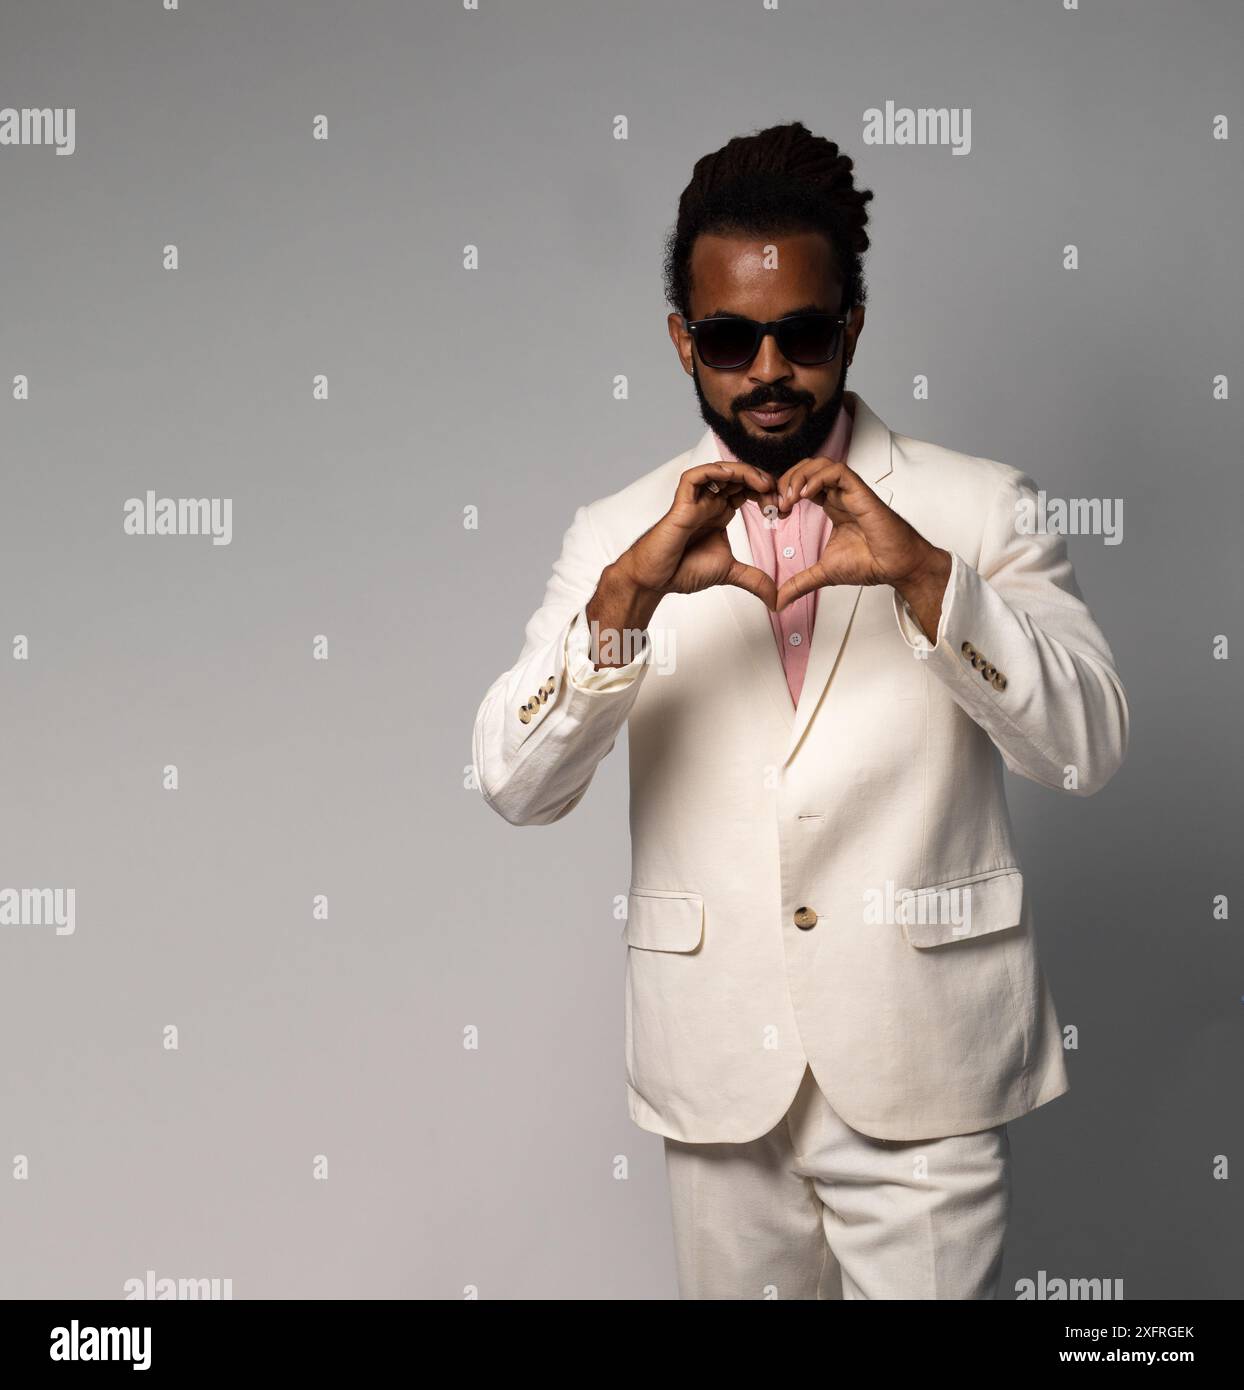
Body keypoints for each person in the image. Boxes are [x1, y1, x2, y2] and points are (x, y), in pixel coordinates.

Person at [471, 120, 1129, 1300]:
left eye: (802, 332)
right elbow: (514, 785)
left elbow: (1089, 745)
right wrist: (620, 604)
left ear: (851, 326)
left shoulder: (977, 509)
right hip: (716, 1072)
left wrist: (932, 584)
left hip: (923, 1064)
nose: (766, 368)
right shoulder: (613, 534)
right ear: (682, 339)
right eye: (727, 338)